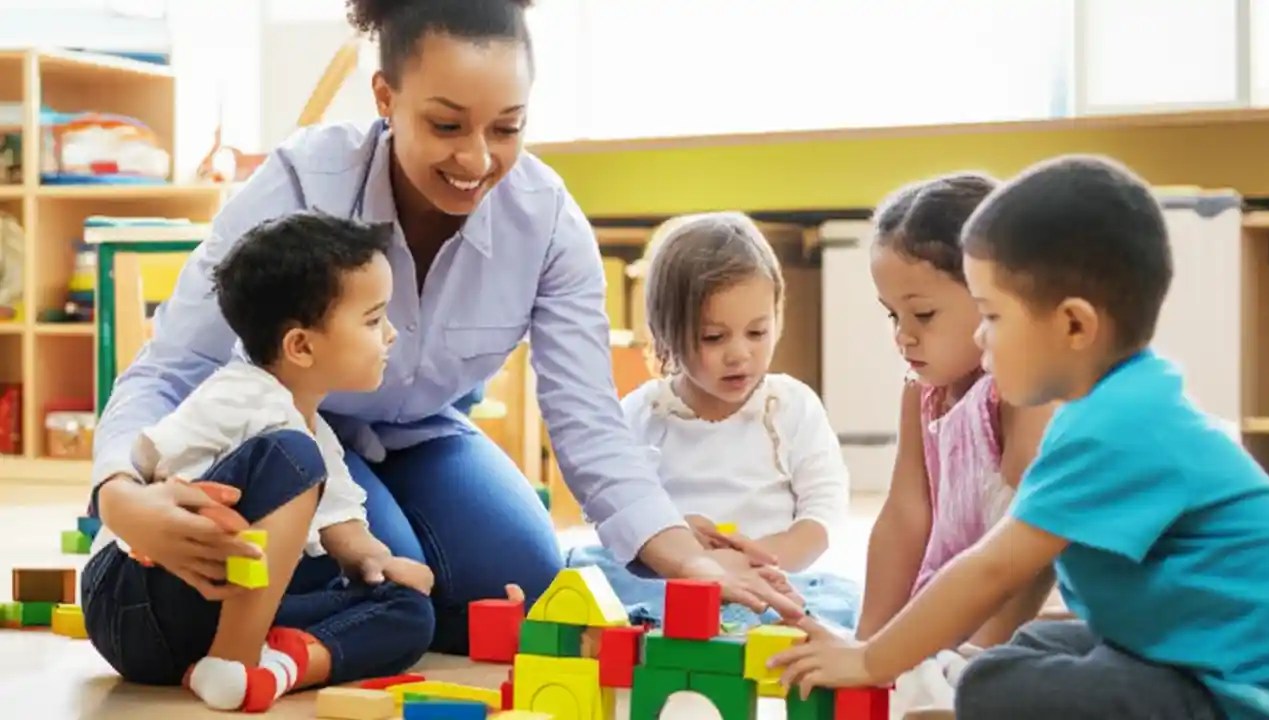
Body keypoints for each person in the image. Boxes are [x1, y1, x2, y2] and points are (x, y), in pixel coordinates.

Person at [91, 0, 799, 659]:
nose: (478, 159)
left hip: (427, 432)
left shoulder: (546, 221)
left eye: (508, 127)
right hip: (292, 439)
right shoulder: (301, 184)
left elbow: (586, 417)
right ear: (385, 99)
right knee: (377, 578)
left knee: (525, 579)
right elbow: (173, 366)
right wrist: (120, 495)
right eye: (448, 125)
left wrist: (684, 555)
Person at [769, 155, 1269, 720]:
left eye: (993, 317)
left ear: (1074, 326)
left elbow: (996, 567)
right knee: (1020, 659)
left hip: (1240, 683)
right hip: (1175, 649)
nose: (983, 339)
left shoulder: (1113, 430)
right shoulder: (1119, 404)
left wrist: (870, 662)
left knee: (1002, 686)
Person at [85, 212, 436, 712]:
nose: (392, 335)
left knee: (409, 612)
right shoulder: (237, 396)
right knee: (291, 455)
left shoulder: (316, 429)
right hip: (135, 600)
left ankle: (277, 670)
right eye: (374, 320)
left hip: (212, 617)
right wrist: (174, 498)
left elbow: (345, 530)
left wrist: (381, 562)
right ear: (301, 346)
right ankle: (238, 660)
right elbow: (150, 459)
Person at [568, 212, 856, 628]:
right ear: (666, 332)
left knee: (838, 599)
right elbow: (610, 510)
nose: (740, 354)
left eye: (757, 333)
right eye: (714, 338)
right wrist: (686, 553)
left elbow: (820, 520)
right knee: (584, 570)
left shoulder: (791, 406)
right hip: (672, 579)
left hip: (771, 576)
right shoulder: (644, 412)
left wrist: (749, 562)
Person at [858, 174, 1057, 708]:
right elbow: (905, 515)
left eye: (922, 314)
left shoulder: (1023, 388)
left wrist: (971, 655)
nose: (903, 334)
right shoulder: (921, 394)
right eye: (892, 315)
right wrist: (865, 645)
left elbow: (1028, 547)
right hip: (947, 600)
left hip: (1010, 607)